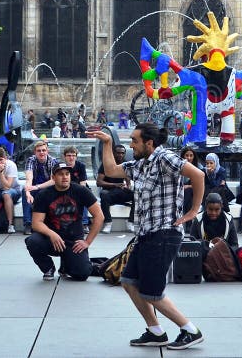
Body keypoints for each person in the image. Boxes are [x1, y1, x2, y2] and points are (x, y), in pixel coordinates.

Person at [93, 124, 205, 351]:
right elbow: (112, 170)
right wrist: (106, 143)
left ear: (149, 143)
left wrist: (193, 211)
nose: (131, 145)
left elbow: (198, 174)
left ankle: (190, 331)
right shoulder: (140, 165)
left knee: (152, 293)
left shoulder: (164, 158)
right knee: (129, 282)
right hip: (146, 234)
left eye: (134, 141)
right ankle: (155, 331)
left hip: (164, 234)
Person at [25, 162, 104, 280]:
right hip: (51, 239)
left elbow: (99, 216)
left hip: (73, 241)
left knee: (82, 274)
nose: (65, 177)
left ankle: (66, 265)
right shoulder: (44, 195)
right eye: (61, 174)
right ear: (53, 178)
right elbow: (36, 223)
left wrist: (87, 242)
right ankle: (48, 268)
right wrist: (52, 234)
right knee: (32, 241)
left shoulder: (81, 191)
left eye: (67, 174)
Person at [23, 140, 58, 235]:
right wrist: (27, 192)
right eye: (39, 150)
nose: (41, 152)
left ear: (47, 151)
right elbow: (29, 178)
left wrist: (37, 187)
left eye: (43, 150)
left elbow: (53, 181)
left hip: (47, 187)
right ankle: (28, 223)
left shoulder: (53, 161)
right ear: (35, 152)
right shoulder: (31, 160)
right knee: (24, 191)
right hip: (34, 187)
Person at [97, 144, 134, 233]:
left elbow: (128, 180)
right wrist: (115, 185)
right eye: (118, 153)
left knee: (136, 195)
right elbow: (99, 182)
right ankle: (108, 222)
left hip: (119, 192)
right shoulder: (106, 164)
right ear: (113, 153)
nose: (120, 155)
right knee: (103, 194)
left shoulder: (125, 164)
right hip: (108, 192)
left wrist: (127, 187)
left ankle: (131, 221)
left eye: (122, 153)